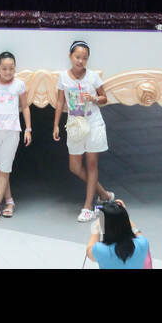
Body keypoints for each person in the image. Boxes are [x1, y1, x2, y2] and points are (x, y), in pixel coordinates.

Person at [54, 40, 114, 222]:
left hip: (93, 123)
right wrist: (56, 124)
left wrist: (94, 98)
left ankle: (88, 207)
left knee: (92, 164)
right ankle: (103, 194)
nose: (80, 61)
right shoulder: (63, 77)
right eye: (77, 57)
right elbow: (59, 102)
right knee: (74, 166)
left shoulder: (93, 77)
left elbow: (105, 98)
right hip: (75, 125)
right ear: (70, 57)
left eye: (84, 58)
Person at [0, 51, 32, 223]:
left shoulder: (19, 85)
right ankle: (9, 202)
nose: (8, 72)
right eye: (4, 68)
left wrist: (28, 129)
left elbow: (25, 107)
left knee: (5, 168)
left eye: (11, 68)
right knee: (1, 167)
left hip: (12, 131)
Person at [85, 199, 152, 269]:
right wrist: (122, 214)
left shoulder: (100, 249)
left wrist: (97, 227)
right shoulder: (143, 243)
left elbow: (89, 252)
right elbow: (136, 231)